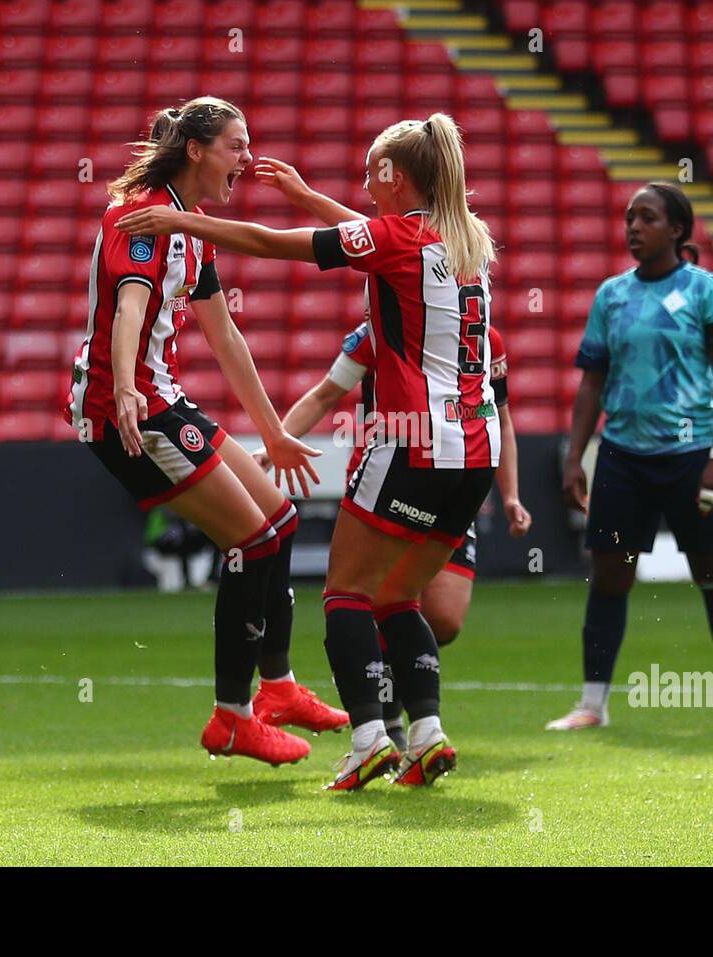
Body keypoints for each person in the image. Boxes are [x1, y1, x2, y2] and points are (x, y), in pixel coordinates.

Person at [117, 113, 500, 789]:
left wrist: (186, 224)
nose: (363, 180)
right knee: (400, 596)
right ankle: (429, 732)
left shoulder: (395, 237)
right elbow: (379, 239)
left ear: (398, 177)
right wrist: (310, 198)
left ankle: (367, 739)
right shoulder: (465, 238)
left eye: (371, 170)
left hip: (412, 439)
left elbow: (274, 244)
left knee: (346, 594)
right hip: (477, 451)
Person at [66, 97, 347, 769]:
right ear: (196, 149)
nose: (246, 159)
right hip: (124, 410)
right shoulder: (140, 216)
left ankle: (275, 691)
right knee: (251, 540)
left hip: (164, 398)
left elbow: (225, 336)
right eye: (236, 146)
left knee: (277, 521)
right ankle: (231, 716)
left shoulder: (191, 224)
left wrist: (274, 433)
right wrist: (129, 385)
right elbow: (130, 305)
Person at [548, 181, 713, 732]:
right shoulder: (611, 296)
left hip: (692, 455)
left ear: (677, 230)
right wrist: (575, 455)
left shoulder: (709, 292)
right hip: (623, 457)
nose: (633, 227)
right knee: (610, 575)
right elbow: (590, 382)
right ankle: (592, 706)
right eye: (629, 218)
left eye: (646, 218)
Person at [255, 312, 532, 749]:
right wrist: (273, 446)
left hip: (454, 477)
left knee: (443, 618)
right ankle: (388, 724)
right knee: (380, 598)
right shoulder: (379, 334)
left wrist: (511, 494)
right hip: (387, 478)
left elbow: (501, 416)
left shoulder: (484, 339)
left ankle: (398, 719)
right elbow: (326, 393)